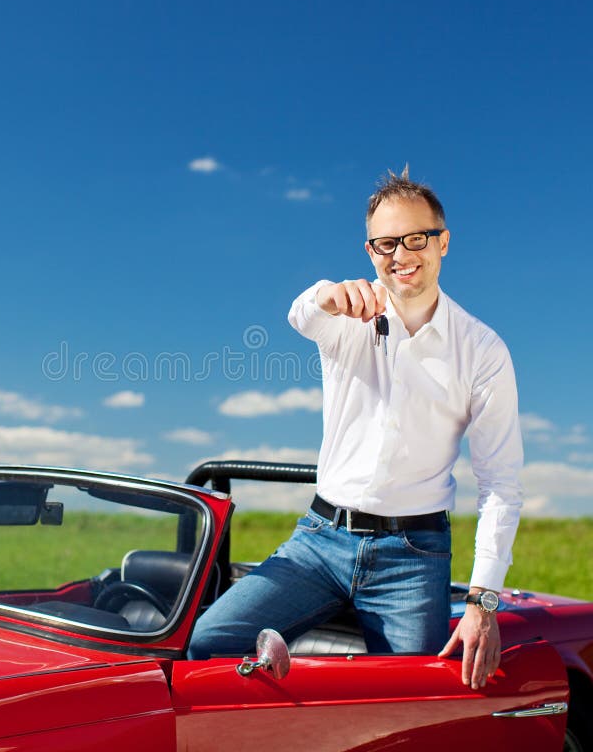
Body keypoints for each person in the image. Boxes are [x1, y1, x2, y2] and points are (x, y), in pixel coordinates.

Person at [188, 167, 523, 691]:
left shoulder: (482, 351)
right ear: (370, 251)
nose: (402, 254)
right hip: (319, 542)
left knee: (416, 695)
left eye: (417, 238)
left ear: (444, 243)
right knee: (210, 643)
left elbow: (501, 483)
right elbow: (301, 315)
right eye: (386, 243)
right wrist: (326, 294)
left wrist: (483, 600)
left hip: (413, 557)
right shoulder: (346, 316)